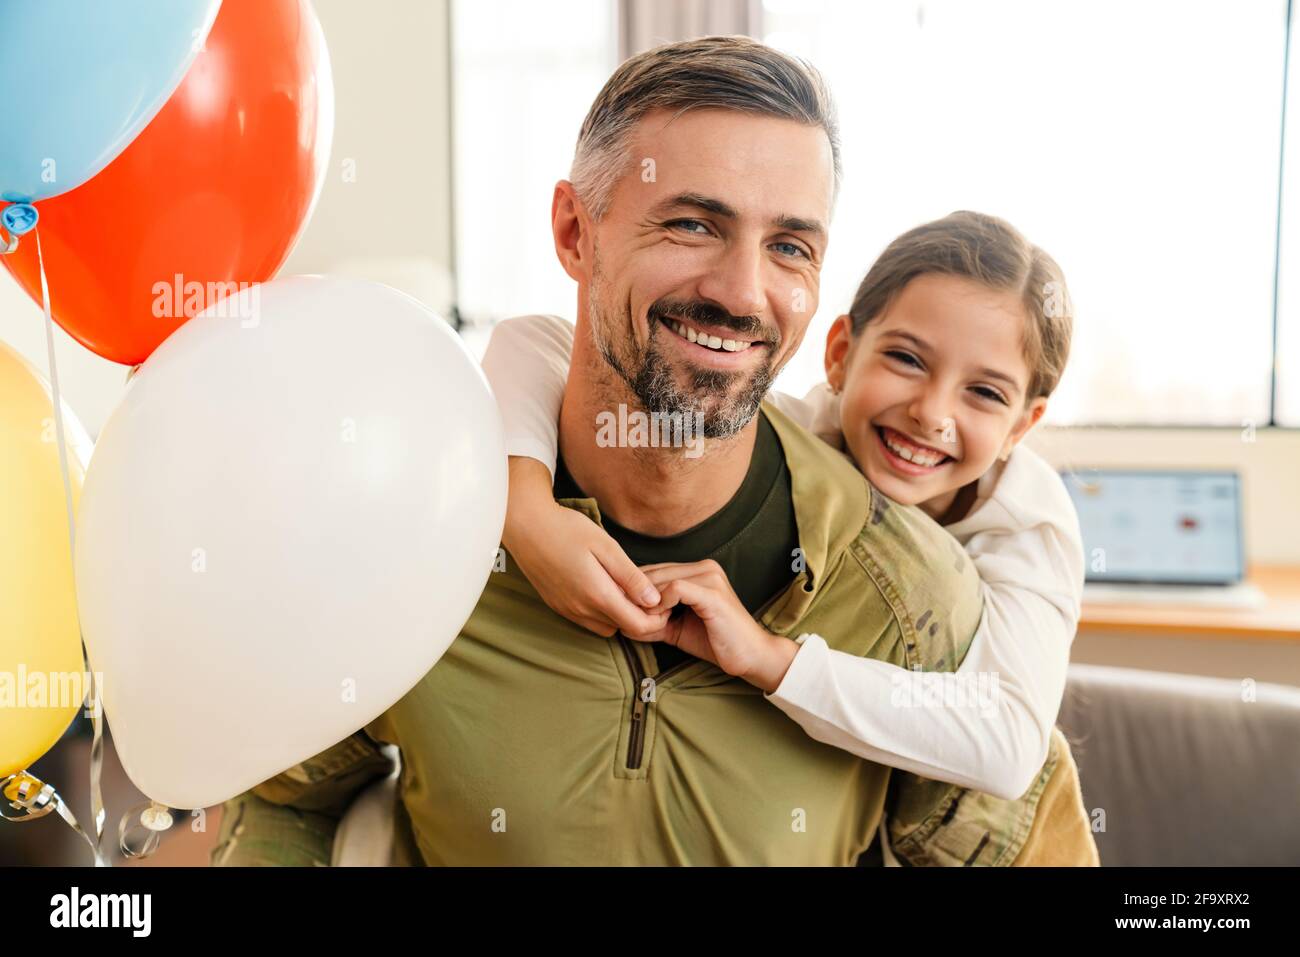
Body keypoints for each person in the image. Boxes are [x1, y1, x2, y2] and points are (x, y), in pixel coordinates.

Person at [211, 37, 1094, 867]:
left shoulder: (917, 600)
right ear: (573, 232)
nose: (743, 292)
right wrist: (515, 507)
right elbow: (281, 796)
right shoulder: (409, 539)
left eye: (789, 245)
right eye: (693, 226)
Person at [484, 210, 1082, 805]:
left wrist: (773, 660)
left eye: (984, 393)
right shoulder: (795, 435)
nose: (932, 412)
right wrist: (528, 513)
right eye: (907, 359)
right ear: (841, 354)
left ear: (1021, 426)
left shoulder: (1029, 524)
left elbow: (1009, 746)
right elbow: (533, 338)